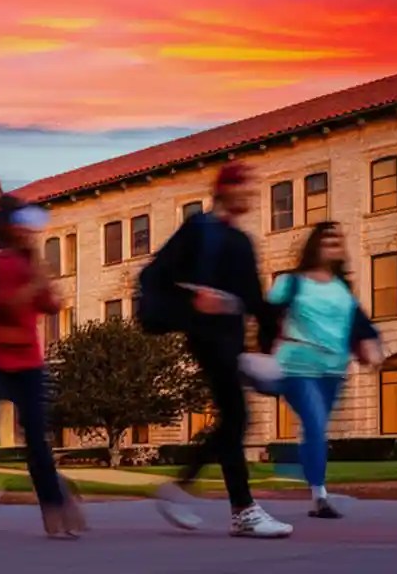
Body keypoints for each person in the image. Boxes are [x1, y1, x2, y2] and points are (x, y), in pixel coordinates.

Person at [144, 162, 293, 538]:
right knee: (237, 416)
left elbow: (254, 301)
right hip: (206, 337)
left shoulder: (243, 242)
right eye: (243, 187)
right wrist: (192, 301)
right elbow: (153, 277)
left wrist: (275, 334)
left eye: (252, 189)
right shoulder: (199, 230)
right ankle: (242, 510)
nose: (251, 195)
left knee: (234, 420)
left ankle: (180, 488)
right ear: (224, 190)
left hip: (232, 341)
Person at [267, 222, 383, 518]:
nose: (333, 246)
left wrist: (371, 343)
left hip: (333, 370)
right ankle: (320, 495)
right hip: (296, 366)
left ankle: (289, 464)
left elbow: (360, 324)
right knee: (315, 423)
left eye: (338, 242)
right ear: (315, 245)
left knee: (314, 430)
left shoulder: (342, 290)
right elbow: (265, 316)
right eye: (327, 240)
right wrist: (263, 352)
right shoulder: (291, 283)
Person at [0, 194, 84, 538]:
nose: (30, 233)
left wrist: (42, 276)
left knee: (37, 439)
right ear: (11, 229)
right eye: (23, 227)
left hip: (30, 361)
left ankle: (53, 506)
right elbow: (6, 304)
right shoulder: (0, 265)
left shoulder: (29, 264)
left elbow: (53, 305)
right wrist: (33, 282)